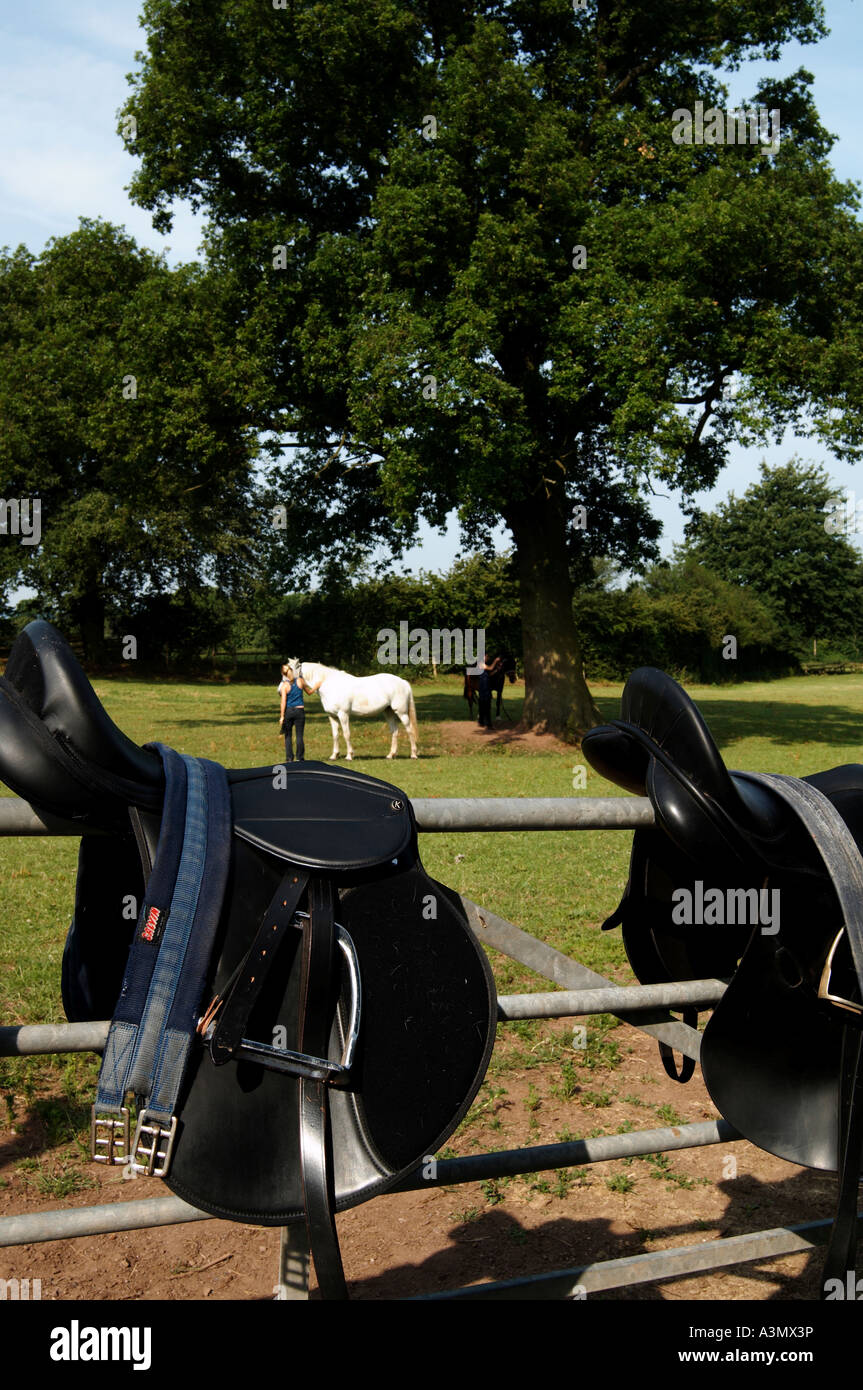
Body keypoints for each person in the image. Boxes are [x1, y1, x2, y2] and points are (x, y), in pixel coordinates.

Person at [278, 662, 305, 762]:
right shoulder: (300, 681)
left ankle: (289, 758)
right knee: (299, 736)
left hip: (289, 712)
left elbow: (283, 702)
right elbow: (309, 692)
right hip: (300, 710)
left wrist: (282, 716)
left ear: (283, 674)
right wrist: (317, 685)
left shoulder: (284, 686)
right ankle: (300, 757)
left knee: (288, 736)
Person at [477, 654, 503, 729]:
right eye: (486, 657)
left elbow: (490, 674)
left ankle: (481, 722)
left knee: (482, 706)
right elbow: (490, 668)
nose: (487, 658)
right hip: (484, 689)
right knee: (486, 706)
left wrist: (497, 670)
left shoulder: (483, 665)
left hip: (485, 688)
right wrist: (495, 661)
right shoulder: (481, 664)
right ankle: (488, 724)